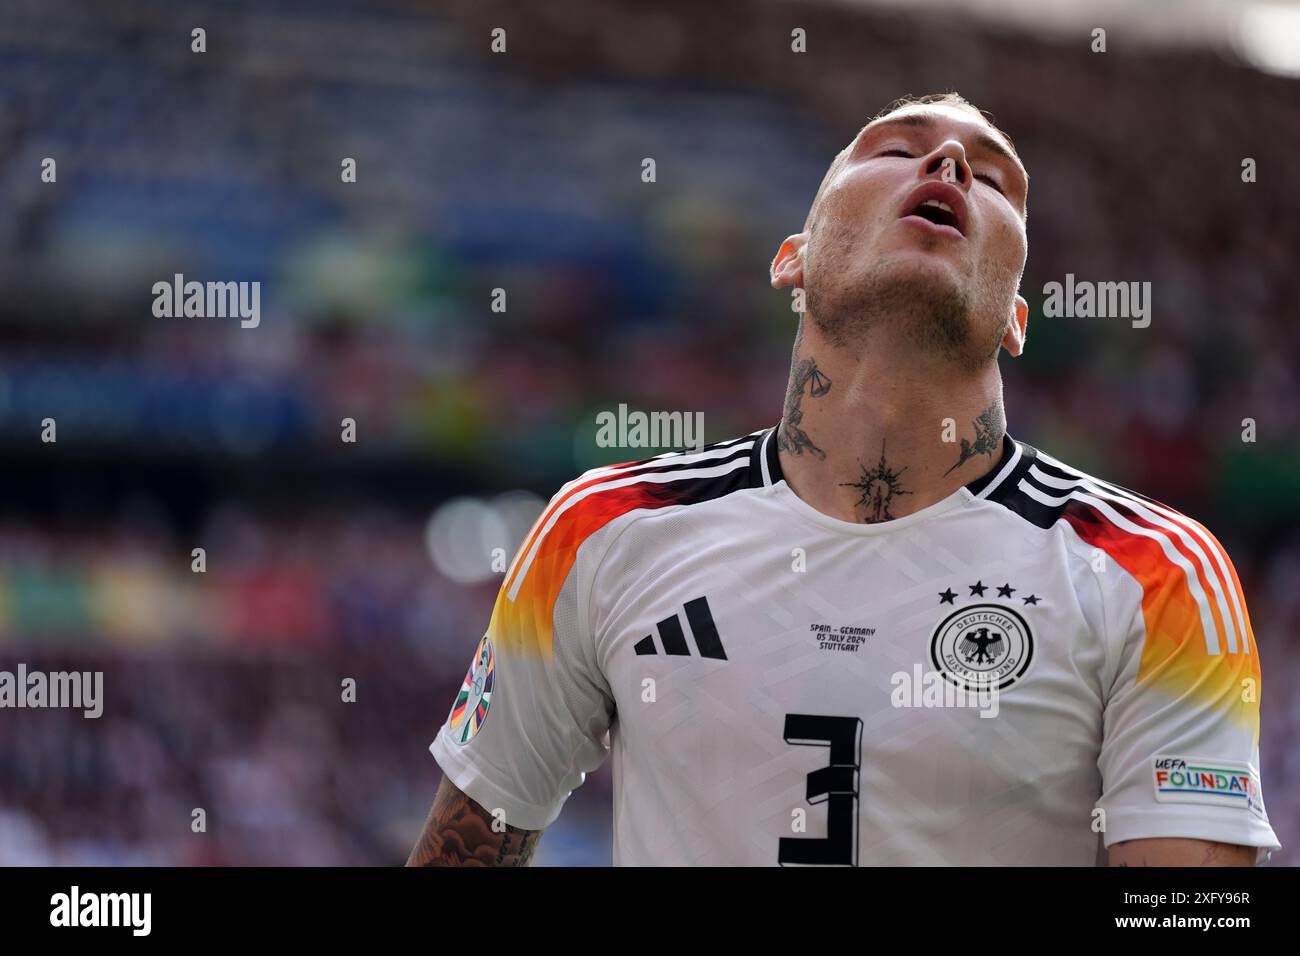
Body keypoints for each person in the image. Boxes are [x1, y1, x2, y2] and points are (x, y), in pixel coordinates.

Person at [407, 93, 1278, 866]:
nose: (946, 164)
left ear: (1017, 319)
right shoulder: (604, 528)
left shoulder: (1156, 574)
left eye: (994, 179)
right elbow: (472, 841)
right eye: (896, 149)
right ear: (794, 259)